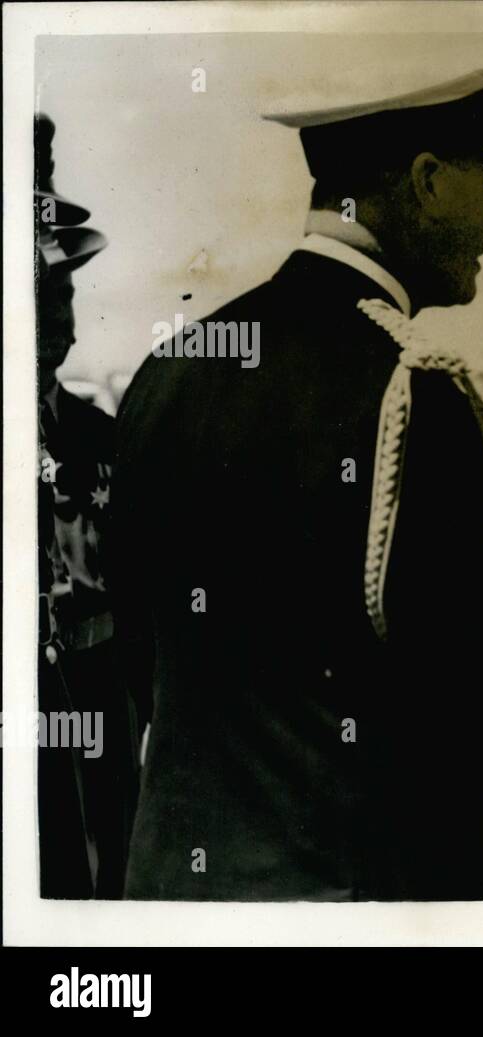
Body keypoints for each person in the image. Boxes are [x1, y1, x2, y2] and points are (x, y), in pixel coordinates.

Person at [113, 54, 483, 901]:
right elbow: (470, 676)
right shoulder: (410, 392)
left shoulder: (169, 368)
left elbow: (145, 653)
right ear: (427, 180)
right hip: (356, 896)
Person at [35, 113, 142, 899]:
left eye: (64, 286)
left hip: (104, 777)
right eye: (43, 290)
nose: (62, 313)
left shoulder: (101, 437)